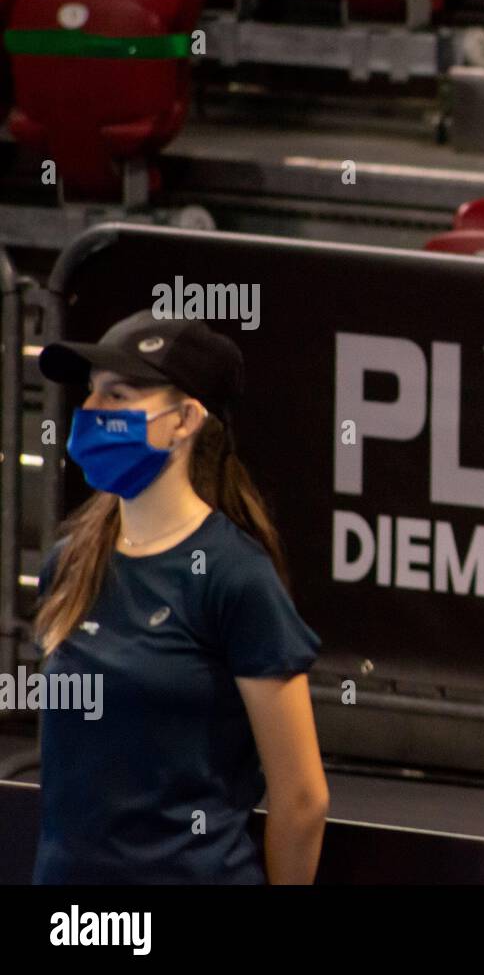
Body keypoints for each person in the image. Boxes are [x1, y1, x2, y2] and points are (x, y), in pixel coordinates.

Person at [31, 309, 329, 883]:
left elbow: (302, 799)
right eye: (92, 394)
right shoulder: (69, 564)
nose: (91, 413)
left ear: (185, 419)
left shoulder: (234, 577)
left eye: (119, 394)